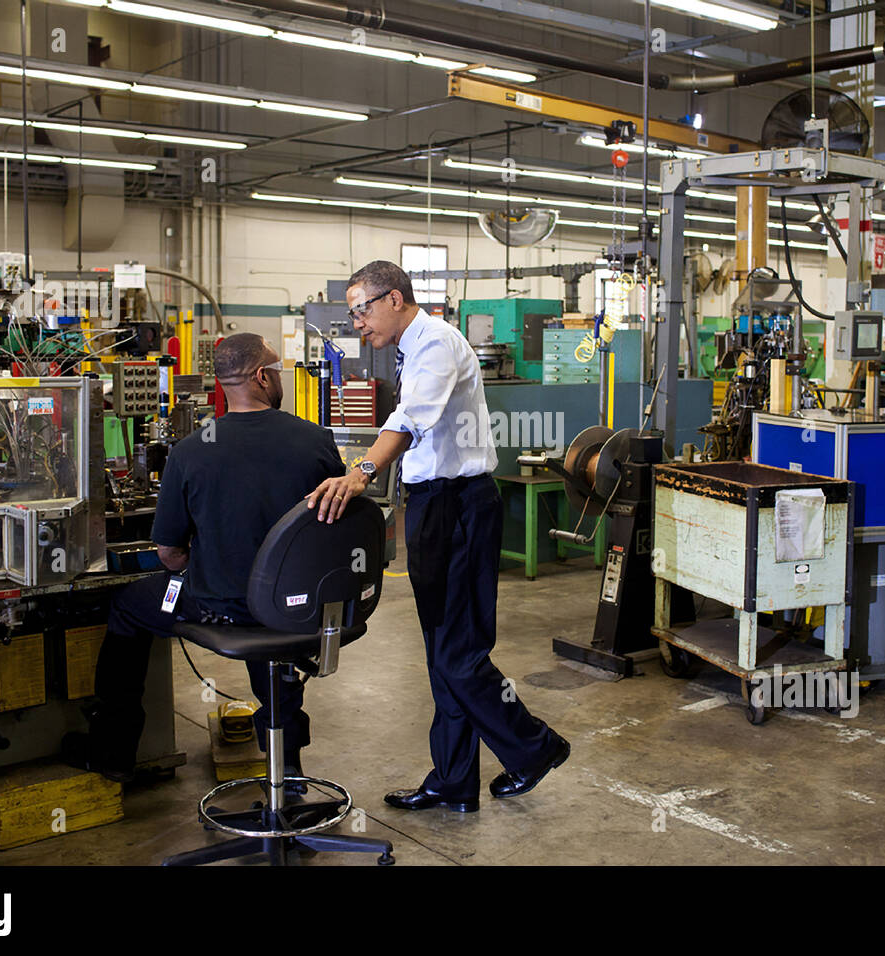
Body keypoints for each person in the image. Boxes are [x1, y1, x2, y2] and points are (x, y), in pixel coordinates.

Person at [306, 260, 569, 814]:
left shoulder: (437, 343)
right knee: (441, 650)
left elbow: (412, 415)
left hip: (460, 508)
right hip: (433, 505)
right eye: (352, 312)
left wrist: (361, 473)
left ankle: (534, 746)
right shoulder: (410, 345)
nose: (357, 323)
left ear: (395, 298)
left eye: (362, 309)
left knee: (459, 652)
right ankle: (453, 778)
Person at [64, 333, 346, 783]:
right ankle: (286, 763)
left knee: (128, 608)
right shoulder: (316, 440)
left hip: (220, 608)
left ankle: (114, 751)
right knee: (270, 614)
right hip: (299, 606)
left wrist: (204, 561)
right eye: (276, 369)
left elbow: (170, 555)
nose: (280, 377)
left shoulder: (191, 450)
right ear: (261, 376)